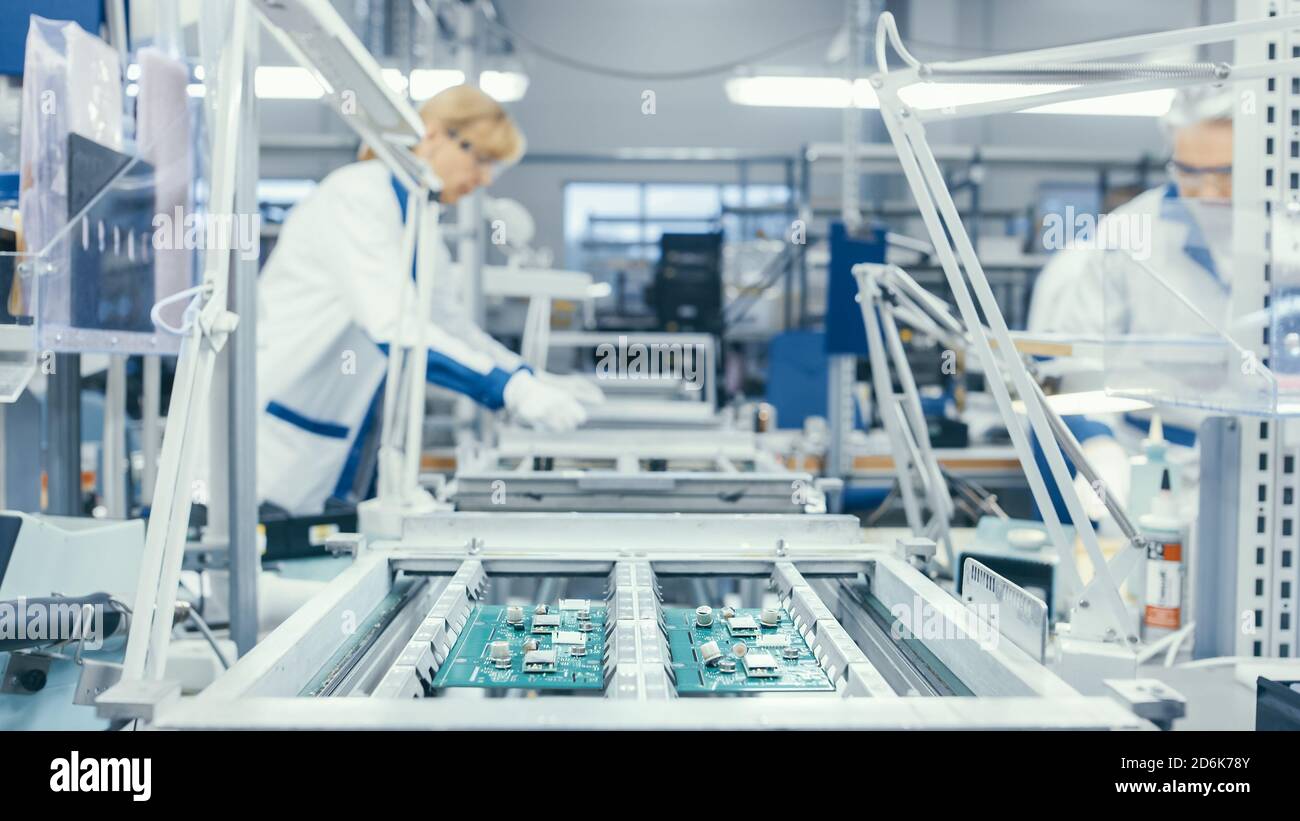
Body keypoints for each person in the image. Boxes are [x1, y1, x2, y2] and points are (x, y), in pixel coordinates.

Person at [257, 85, 591, 515]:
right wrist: (508, 389)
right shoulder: (356, 196)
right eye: (482, 160)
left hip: (336, 439)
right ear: (434, 135)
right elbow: (392, 329)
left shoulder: (421, 221)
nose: (486, 179)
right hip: (275, 436)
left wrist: (528, 377)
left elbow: (449, 327)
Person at [1025, 87, 1234, 523]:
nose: (1208, 190)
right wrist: (1100, 445)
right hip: (1149, 472)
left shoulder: (1280, 233)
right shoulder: (1128, 235)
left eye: (1226, 171)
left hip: (1267, 472)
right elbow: (1072, 361)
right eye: (1190, 172)